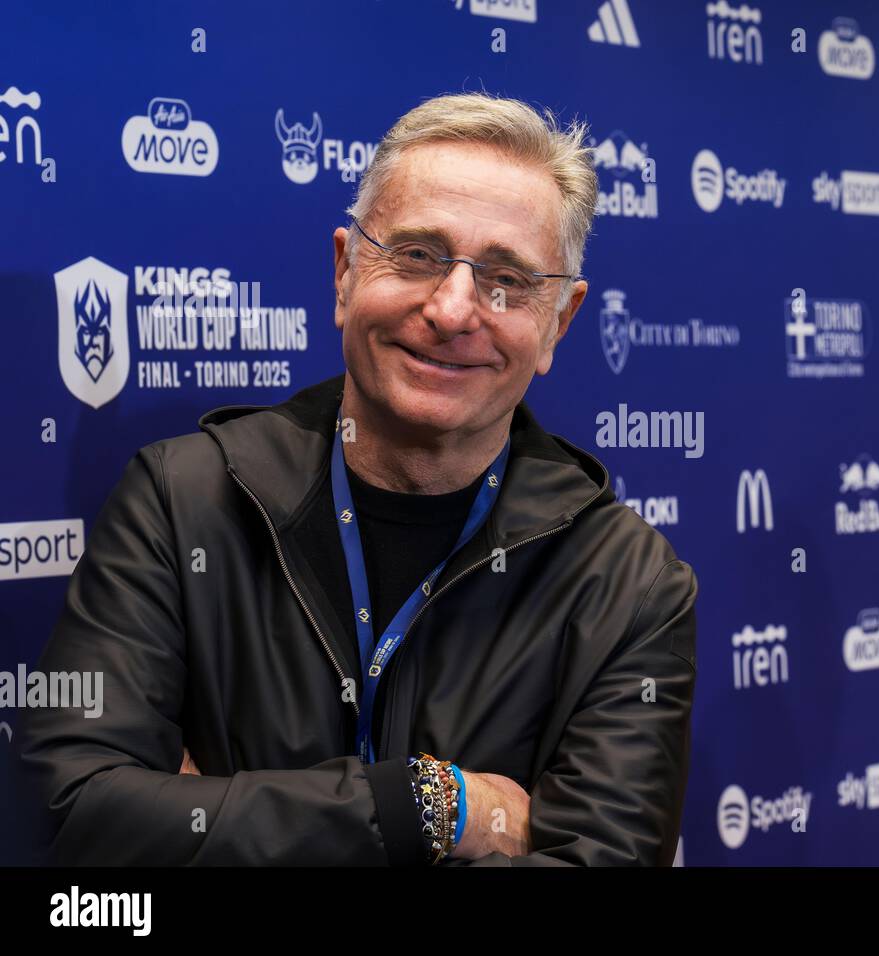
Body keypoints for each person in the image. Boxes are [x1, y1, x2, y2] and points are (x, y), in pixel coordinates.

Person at [21, 93, 698, 866]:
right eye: (417, 255)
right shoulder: (181, 501)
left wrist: (220, 817)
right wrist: (430, 807)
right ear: (345, 272)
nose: (452, 309)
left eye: (506, 278)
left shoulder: (632, 584)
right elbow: (73, 816)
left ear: (558, 323)